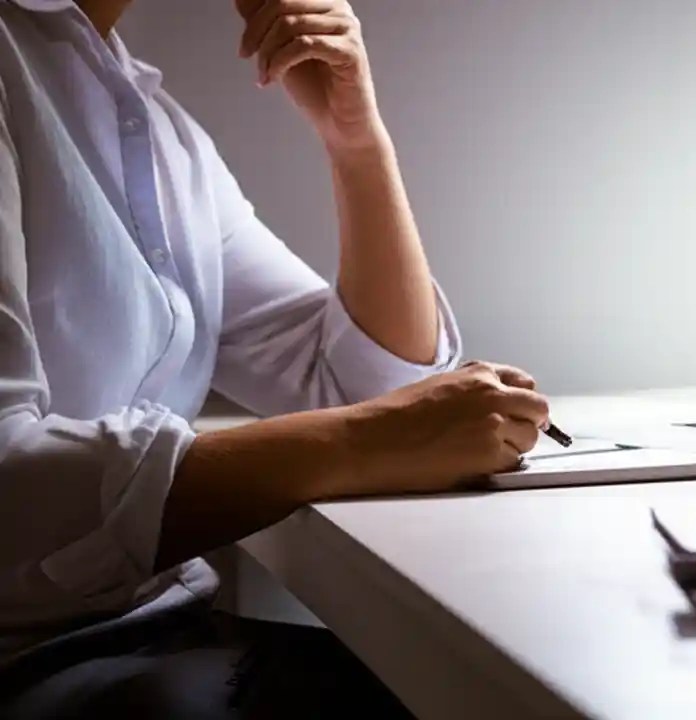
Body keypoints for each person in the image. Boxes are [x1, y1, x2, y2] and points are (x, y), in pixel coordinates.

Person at [0, 0, 547, 716]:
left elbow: (370, 386)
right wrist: (371, 438)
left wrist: (355, 138)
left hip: (155, 638)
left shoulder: (157, 127)